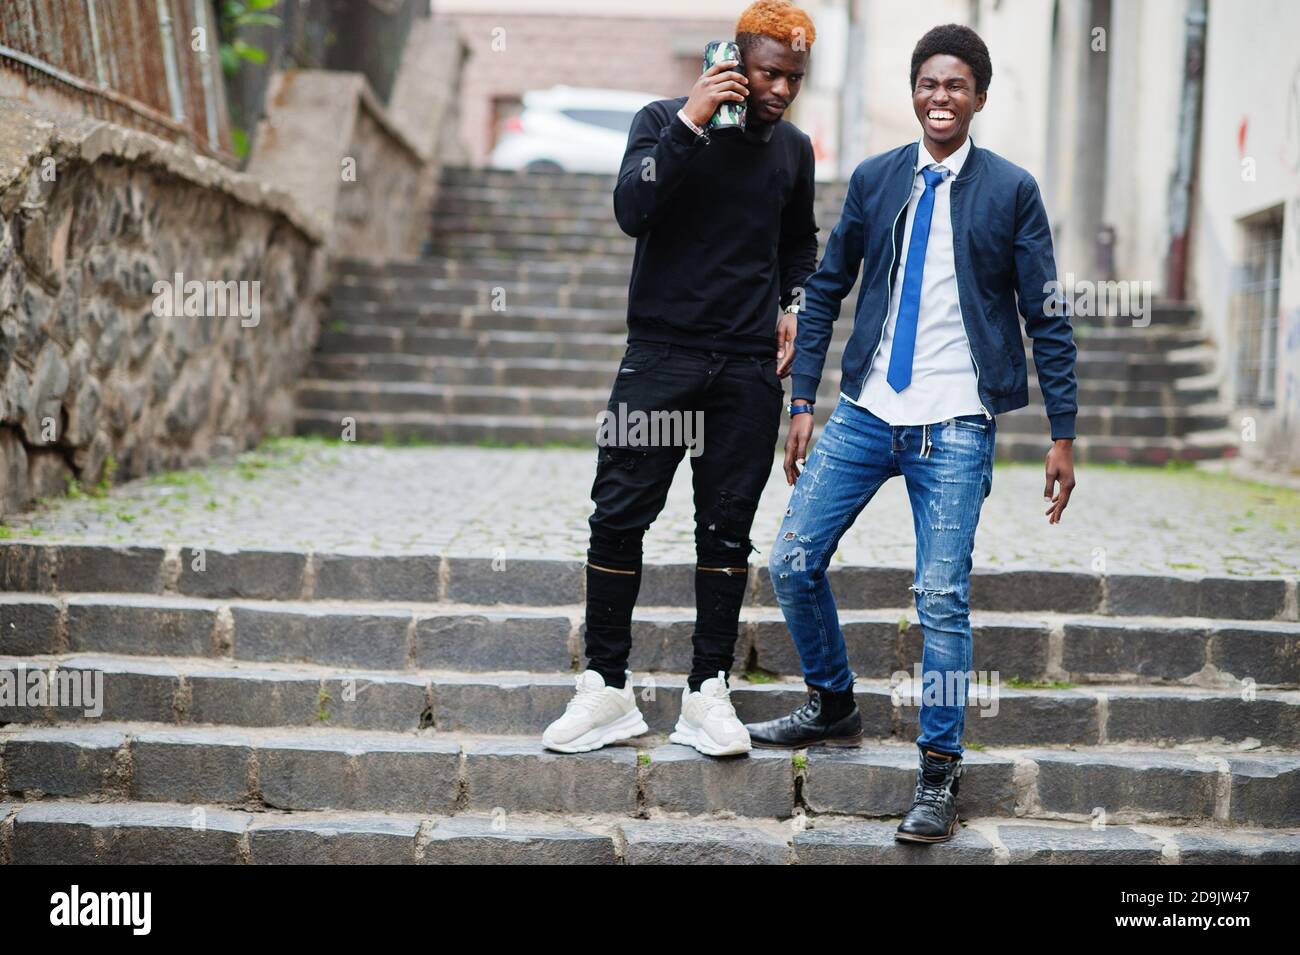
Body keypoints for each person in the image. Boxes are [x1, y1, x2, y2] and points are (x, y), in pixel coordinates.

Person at [746, 24, 1079, 842]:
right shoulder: (877, 179)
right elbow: (824, 292)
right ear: (914, 91)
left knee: (941, 596)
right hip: (866, 413)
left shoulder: (1011, 190)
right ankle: (833, 703)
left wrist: (1062, 432)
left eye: (956, 86)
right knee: (791, 558)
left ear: (979, 98)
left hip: (957, 423)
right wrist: (801, 402)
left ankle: (938, 770)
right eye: (929, 84)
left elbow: (1048, 316)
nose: (940, 98)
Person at [542, 0, 820, 757]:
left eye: (794, 76)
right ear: (733, 60)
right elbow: (633, 209)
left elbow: (800, 245)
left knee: (726, 529)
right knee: (618, 515)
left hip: (745, 370)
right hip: (659, 358)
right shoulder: (661, 119)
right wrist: (692, 120)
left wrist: (794, 301)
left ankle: (707, 692)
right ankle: (605, 687)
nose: (781, 89)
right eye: (769, 72)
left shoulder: (794, 150)